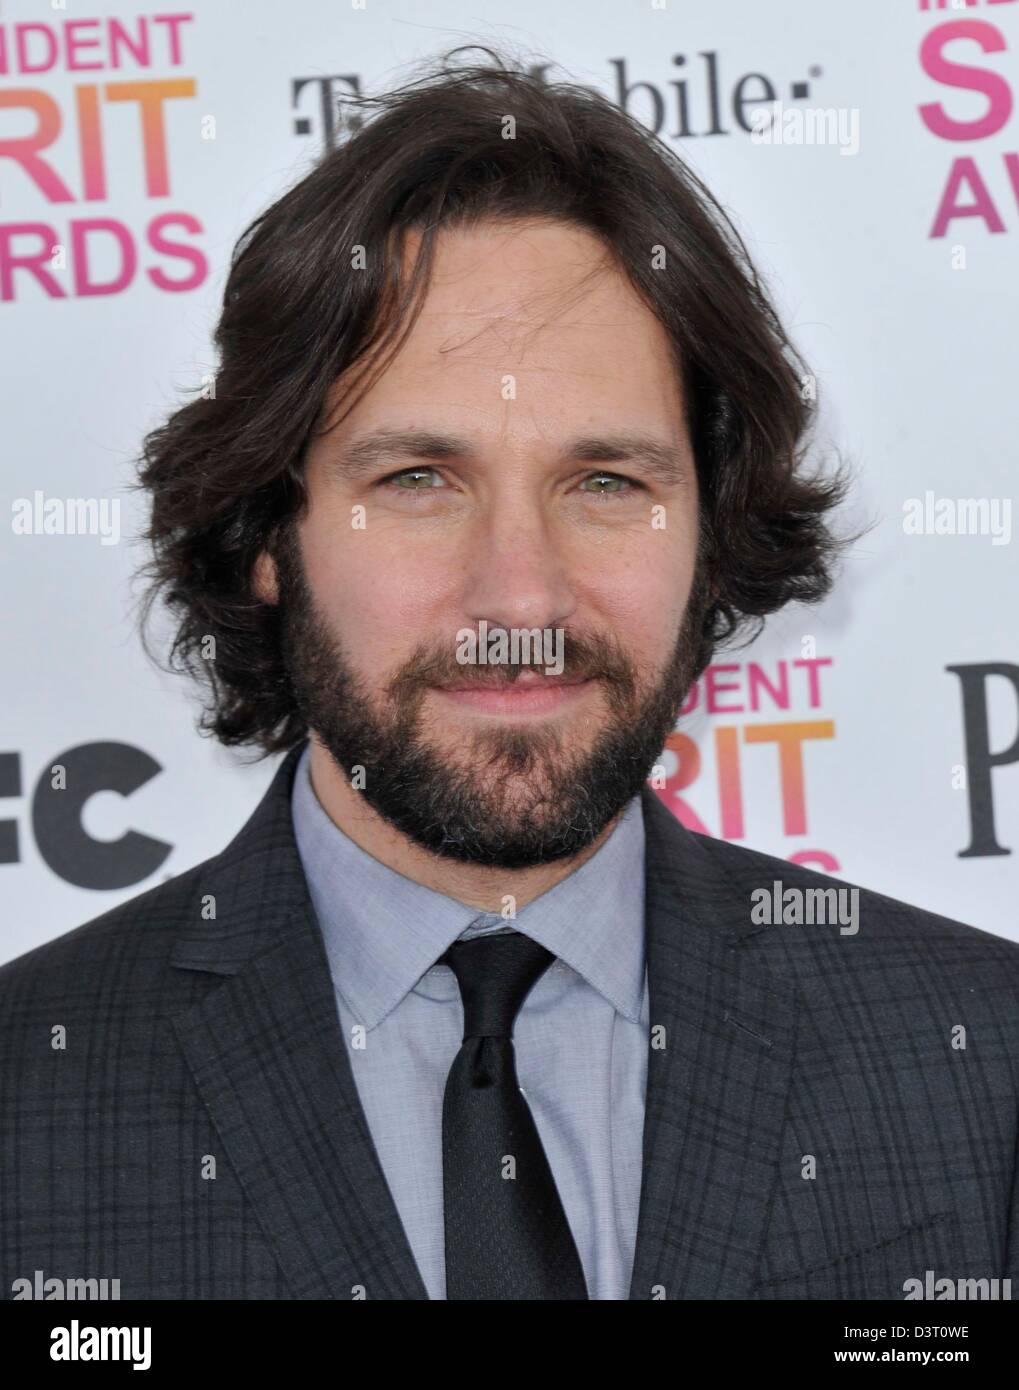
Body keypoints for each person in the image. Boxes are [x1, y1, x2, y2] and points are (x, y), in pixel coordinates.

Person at [2, 51, 1017, 1302]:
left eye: (605, 484)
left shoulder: (980, 1061)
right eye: (418, 480)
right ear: (268, 536)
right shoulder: (28, 1098)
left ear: (709, 538)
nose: (521, 597)